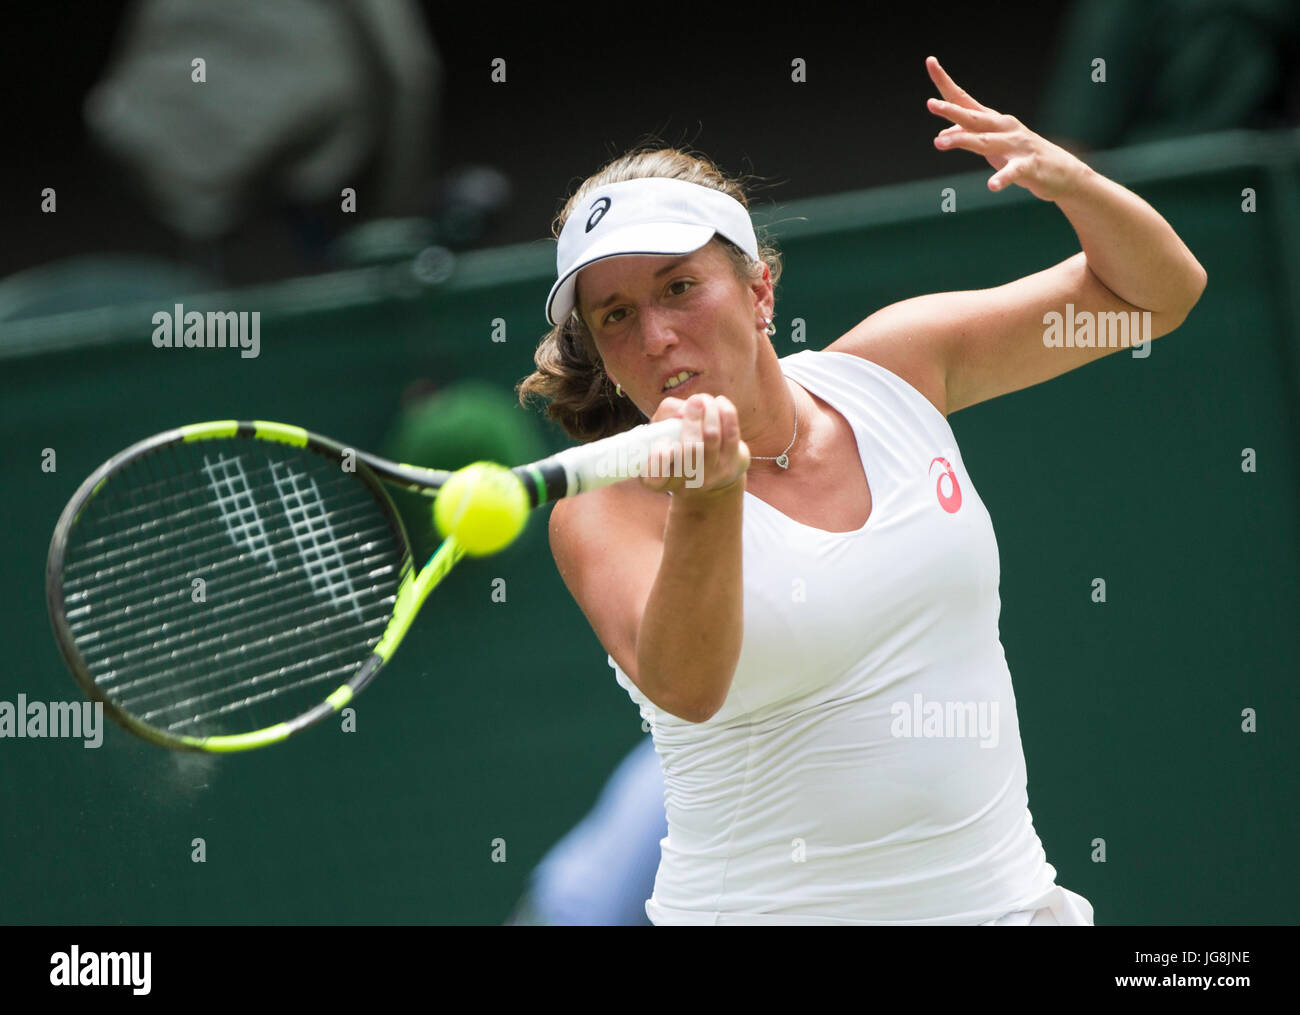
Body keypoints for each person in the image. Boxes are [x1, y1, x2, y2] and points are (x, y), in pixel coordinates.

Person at [516, 56, 1206, 925]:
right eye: (615, 315)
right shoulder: (603, 510)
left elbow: (1156, 297)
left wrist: (1072, 182)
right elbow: (690, 687)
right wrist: (708, 501)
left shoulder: (897, 369)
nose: (655, 335)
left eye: (680, 287)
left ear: (760, 289)